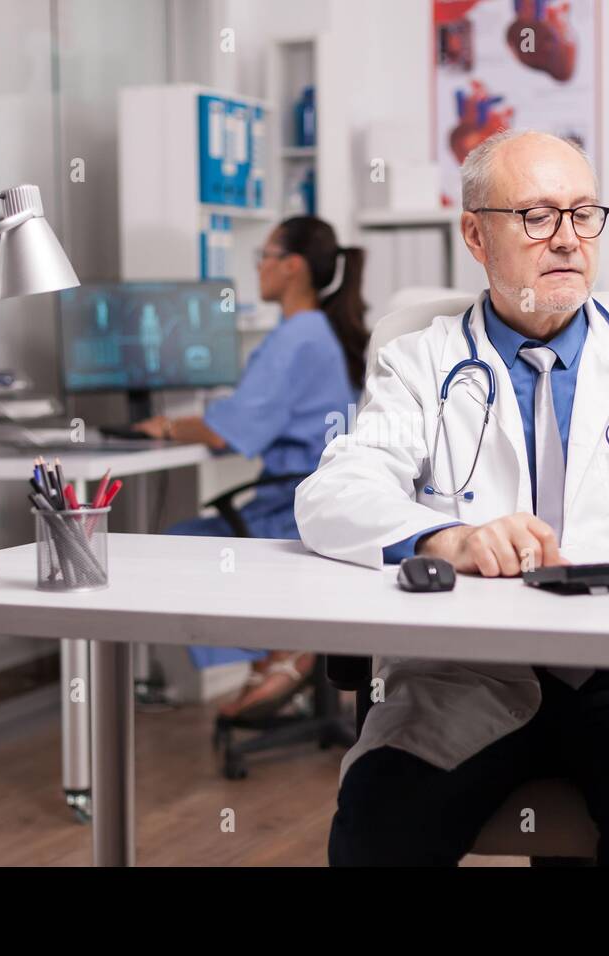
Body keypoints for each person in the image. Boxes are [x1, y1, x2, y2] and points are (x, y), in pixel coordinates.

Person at [294, 130, 609, 866]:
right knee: (381, 820)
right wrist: (449, 539)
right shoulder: (421, 361)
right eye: (537, 217)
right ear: (476, 233)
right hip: (468, 673)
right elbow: (334, 493)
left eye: (583, 214)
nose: (568, 239)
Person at [135, 216, 366, 719]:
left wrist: (169, 428)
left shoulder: (298, 337)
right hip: (311, 501)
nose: (258, 268)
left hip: (290, 510)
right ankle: (277, 650)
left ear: (292, 266)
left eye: (263, 256)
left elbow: (226, 431)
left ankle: (283, 647)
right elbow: (244, 422)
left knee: (172, 548)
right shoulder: (316, 332)